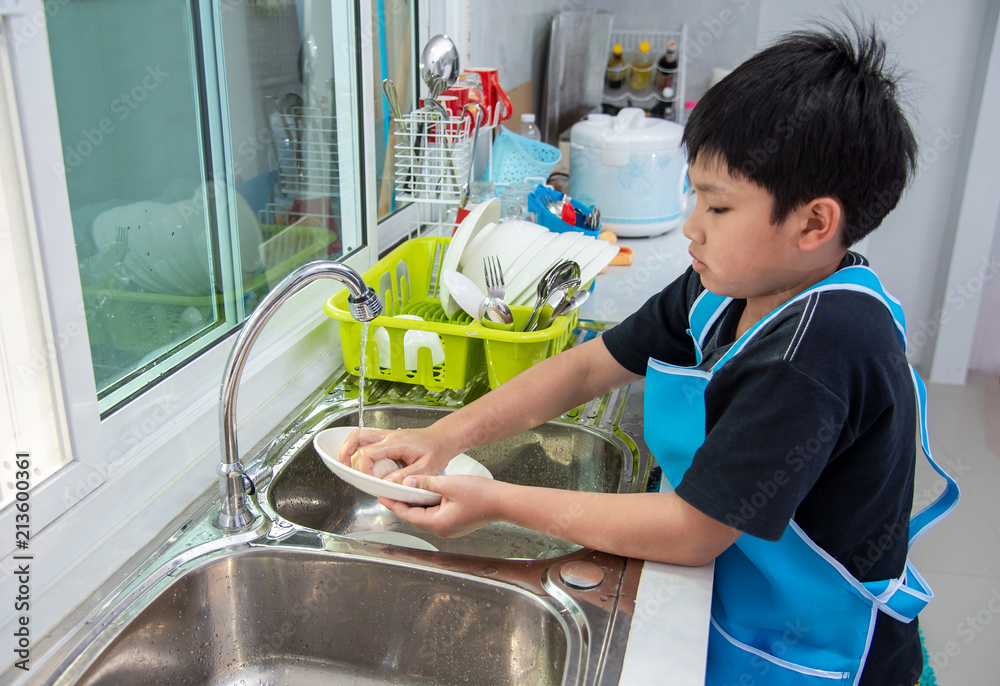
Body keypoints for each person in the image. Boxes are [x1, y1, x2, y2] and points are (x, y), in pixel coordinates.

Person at [339, 20, 959, 686]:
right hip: (747, 610)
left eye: (718, 207)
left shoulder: (816, 351)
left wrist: (493, 501)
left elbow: (692, 531)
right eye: (695, 194)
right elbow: (586, 365)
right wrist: (444, 435)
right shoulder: (725, 285)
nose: (691, 224)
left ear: (814, 223)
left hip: (813, 660)